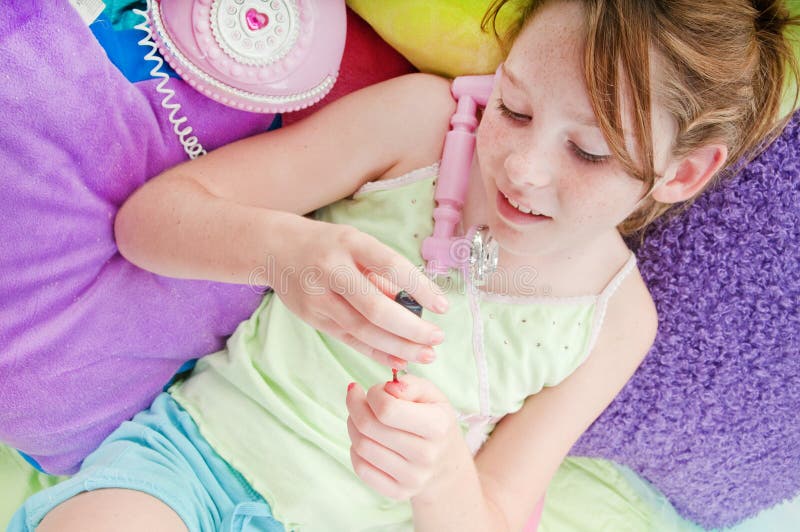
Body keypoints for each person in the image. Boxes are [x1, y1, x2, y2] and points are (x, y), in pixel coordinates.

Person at [13, 0, 798, 530]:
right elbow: (148, 224)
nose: (521, 167)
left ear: (683, 174)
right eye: (516, 107)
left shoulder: (616, 322)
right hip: (193, 463)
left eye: (589, 152)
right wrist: (284, 252)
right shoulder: (426, 128)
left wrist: (439, 473)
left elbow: (491, 513)